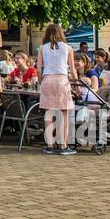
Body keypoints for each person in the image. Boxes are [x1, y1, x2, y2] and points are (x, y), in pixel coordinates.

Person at [38, 23, 76, 155]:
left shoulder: (42, 48)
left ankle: (49, 145)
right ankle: (63, 145)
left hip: (47, 79)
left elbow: (39, 68)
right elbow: (72, 69)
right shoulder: (68, 48)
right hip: (62, 79)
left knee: (48, 113)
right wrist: (75, 82)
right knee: (64, 113)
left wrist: (40, 81)